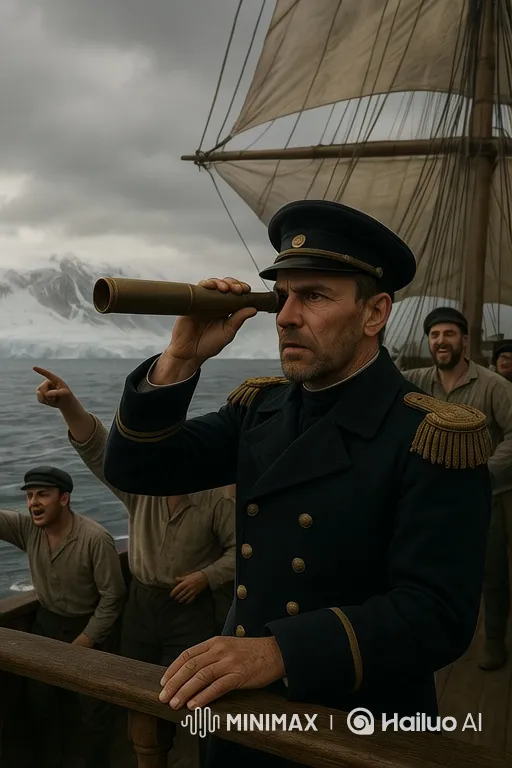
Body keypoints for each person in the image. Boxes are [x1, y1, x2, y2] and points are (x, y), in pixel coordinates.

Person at [102, 200, 492, 768]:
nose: (285, 315)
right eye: (281, 296)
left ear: (374, 313)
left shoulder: (429, 436)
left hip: (358, 727)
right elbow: (136, 468)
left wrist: (281, 650)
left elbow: (438, 615)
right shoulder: (259, 409)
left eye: (313, 296)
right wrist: (180, 355)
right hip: (242, 713)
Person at [33, 366, 236, 768]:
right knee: (136, 693)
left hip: (190, 610)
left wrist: (204, 577)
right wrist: (68, 405)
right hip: (142, 604)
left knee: (196, 701)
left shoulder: (216, 500)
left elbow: (239, 551)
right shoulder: (142, 487)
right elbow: (100, 452)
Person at [401, 307, 512, 671]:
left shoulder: (494, 386)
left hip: (485, 498)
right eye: (434, 335)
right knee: (421, 566)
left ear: (464, 341)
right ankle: (428, 635)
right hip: (427, 500)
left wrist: (485, 472)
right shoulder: (415, 382)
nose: (441, 341)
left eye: (449, 334)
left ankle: (493, 640)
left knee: (490, 571)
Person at [0, 466, 126, 768]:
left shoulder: (95, 539)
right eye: (30, 496)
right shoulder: (29, 528)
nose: (34, 503)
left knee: (93, 712)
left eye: (43, 494)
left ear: (65, 498)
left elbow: (113, 597)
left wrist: (85, 640)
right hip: (46, 624)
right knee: (42, 704)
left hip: (89, 628)